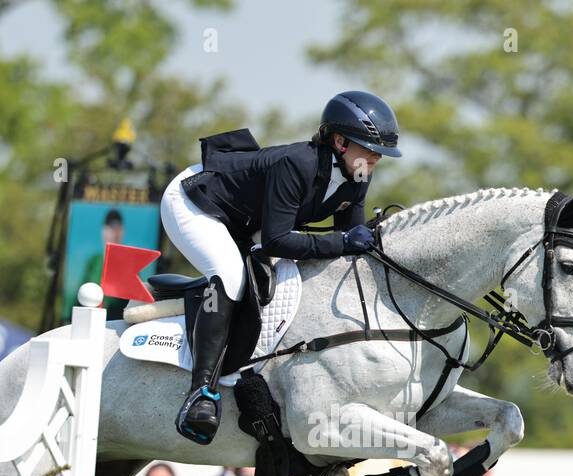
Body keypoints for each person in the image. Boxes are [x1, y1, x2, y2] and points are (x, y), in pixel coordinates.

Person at [159, 91, 402, 445]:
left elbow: (348, 239)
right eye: (369, 148)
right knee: (230, 273)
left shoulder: (358, 173)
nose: (376, 157)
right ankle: (201, 394)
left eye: (379, 152)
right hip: (196, 202)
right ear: (340, 142)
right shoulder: (297, 164)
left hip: (247, 217)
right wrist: (345, 242)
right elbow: (276, 241)